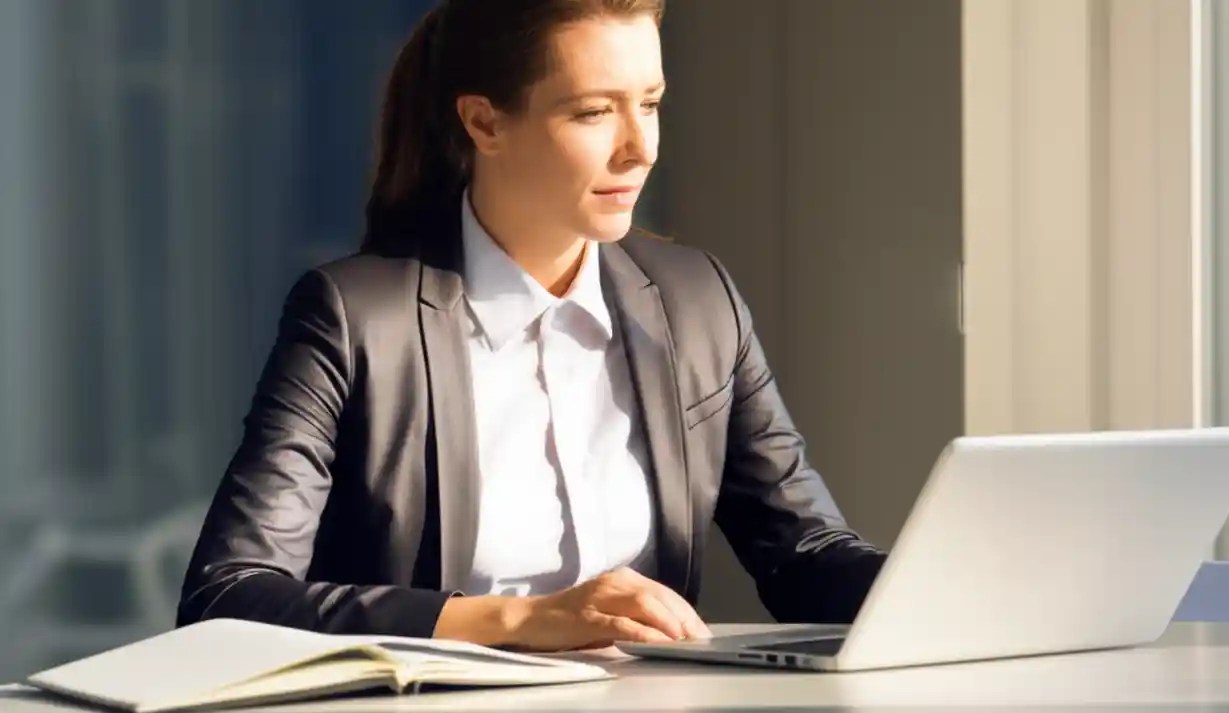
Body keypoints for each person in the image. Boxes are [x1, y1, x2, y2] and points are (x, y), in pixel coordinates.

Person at [177, 0, 885, 652]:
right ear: (484, 123)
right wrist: (519, 620)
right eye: (592, 113)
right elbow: (228, 596)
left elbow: (805, 556)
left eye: (651, 103)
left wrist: (967, 589)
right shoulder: (356, 319)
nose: (640, 147)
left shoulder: (697, 302)